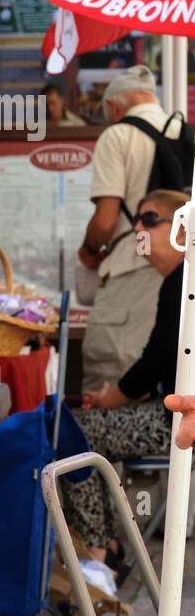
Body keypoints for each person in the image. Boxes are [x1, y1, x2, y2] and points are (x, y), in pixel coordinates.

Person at [63, 190, 188, 564]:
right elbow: (166, 363)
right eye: (136, 219)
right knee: (87, 428)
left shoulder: (184, 278)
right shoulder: (180, 278)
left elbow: (159, 357)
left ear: (182, 228)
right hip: (175, 410)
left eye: (150, 220)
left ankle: (97, 555)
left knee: (78, 432)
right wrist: (122, 395)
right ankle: (106, 547)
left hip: (181, 419)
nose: (137, 227)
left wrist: (111, 397)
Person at [79, 65, 182, 392]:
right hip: (180, 270)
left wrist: (89, 249)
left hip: (130, 270)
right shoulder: (188, 132)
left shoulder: (117, 135)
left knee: (111, 377)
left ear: (113, 106)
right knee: (166, 377)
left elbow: (106, 221)